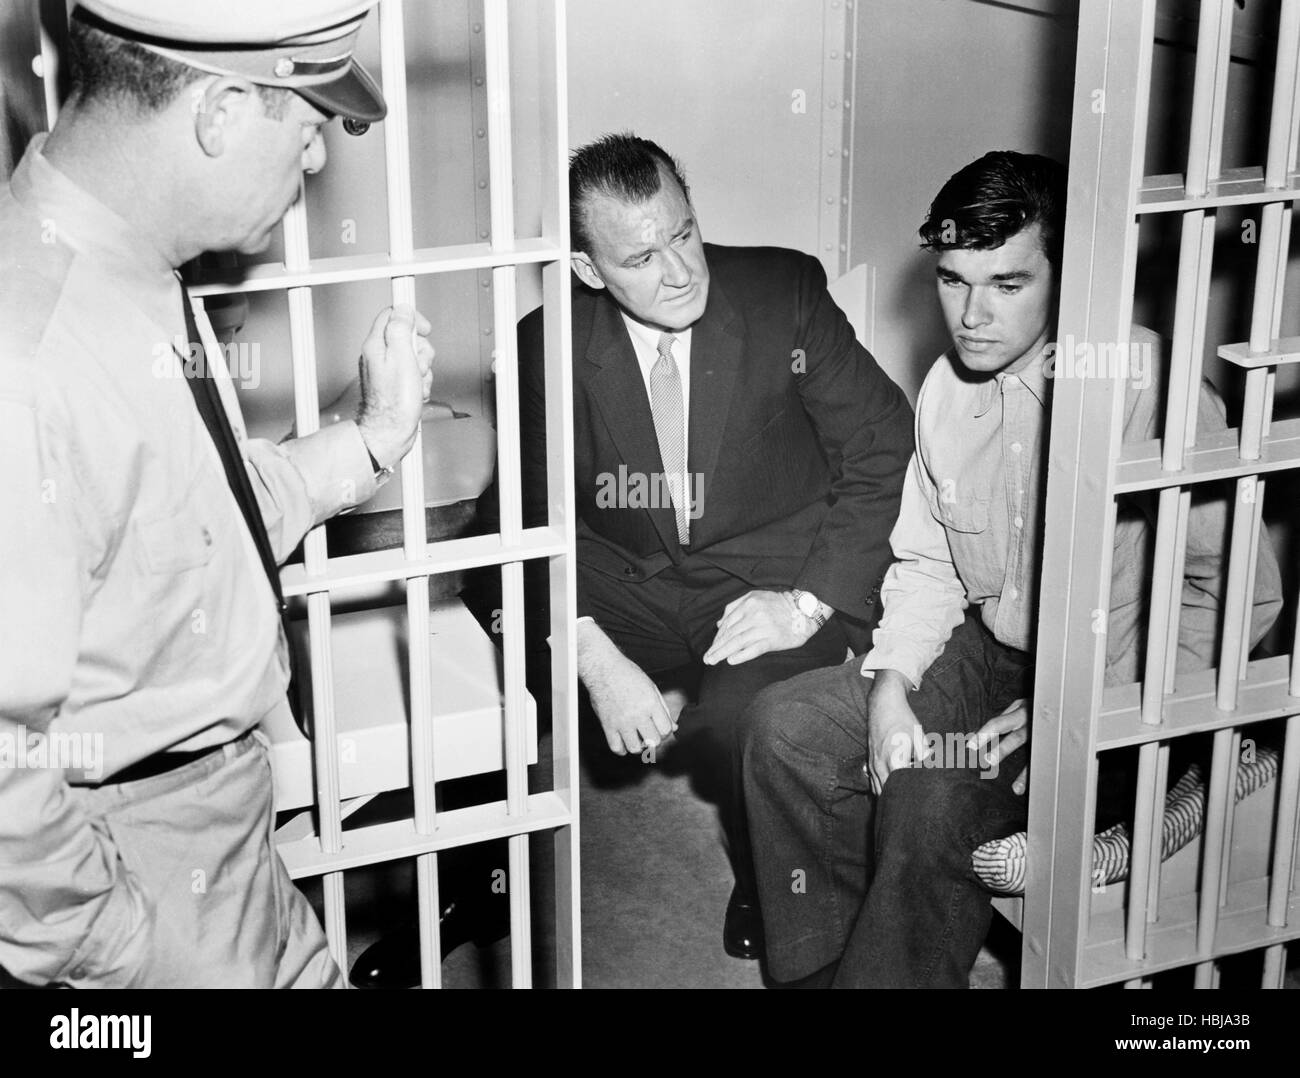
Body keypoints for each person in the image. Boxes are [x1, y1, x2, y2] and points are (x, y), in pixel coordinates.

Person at [741, 150, 1284, 988]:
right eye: (954, 281)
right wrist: (888, 686)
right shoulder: (944, 390)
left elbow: (1237, 593)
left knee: (933, 799)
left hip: (1121, 695)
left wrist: (1087, 702)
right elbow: (926, 564)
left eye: (1007, 284)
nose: (971, 315)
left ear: (1070, 277)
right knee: (786, 732)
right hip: (991, 657)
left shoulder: (1144, 387)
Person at [0, 0, 435, 988]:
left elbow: (181, 537)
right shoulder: (25, 359)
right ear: (223, 109)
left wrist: (368, 441)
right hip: (136, 881)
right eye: (311, 124)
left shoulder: (124, 271)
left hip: (221, 841)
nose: (318, 163)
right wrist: (116, 946)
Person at [533, 133, 912, 958]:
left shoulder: (784, 293)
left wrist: (809, 602)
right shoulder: (545, 343)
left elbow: (883, 447)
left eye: (684, 232)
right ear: (589, 270)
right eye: (641, 257)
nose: (680, 271)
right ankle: (484, 879)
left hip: (766, 577)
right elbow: (521, 517)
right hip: (625, 580)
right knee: (497, 651)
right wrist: (593, 656)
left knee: (756, 722)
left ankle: (772, 884)